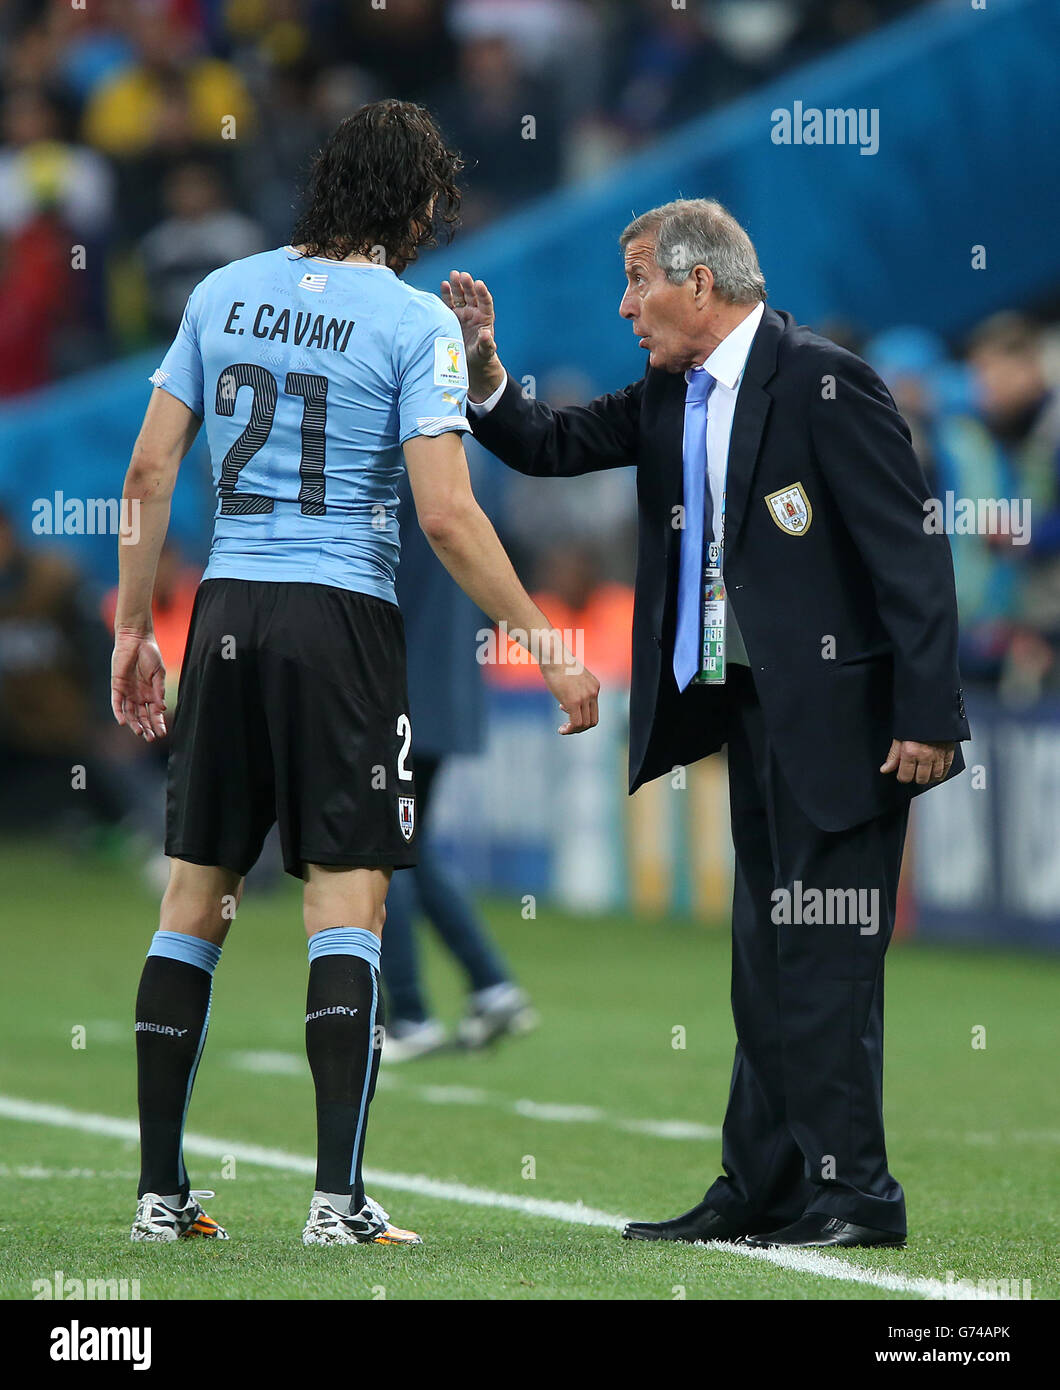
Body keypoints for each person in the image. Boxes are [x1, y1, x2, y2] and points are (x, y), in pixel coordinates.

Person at [110, 100, 598, 1249]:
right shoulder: (411, 318)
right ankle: (337, 1201)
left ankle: (159, 1194)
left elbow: (145, 470)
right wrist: (543, 638)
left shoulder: (219, 291)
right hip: (341, 620)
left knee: (197, 897)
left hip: (226, 610)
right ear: (418, 203)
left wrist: (136, 628)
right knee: (349, 899)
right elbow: (444, 515)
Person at [450, 197, 969, 1250]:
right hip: (751, 715)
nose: (625, 306)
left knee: (824, 967)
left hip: (849, 723)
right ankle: (760, 1187)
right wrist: (483, 370)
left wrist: (928, 713)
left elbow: (912, 555)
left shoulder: (826, 382)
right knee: (764, 965)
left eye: (638, 280)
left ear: (699, 282)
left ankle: (856, 1194)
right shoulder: (668, 390)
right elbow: (547, 445)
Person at [379, 465, 538, 1062]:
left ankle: (411, 1013)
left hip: (396, 686)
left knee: (384, 848)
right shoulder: (470, 468)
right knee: (406, 844)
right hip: (452, 686)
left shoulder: (388, 469)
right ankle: (490, 984)